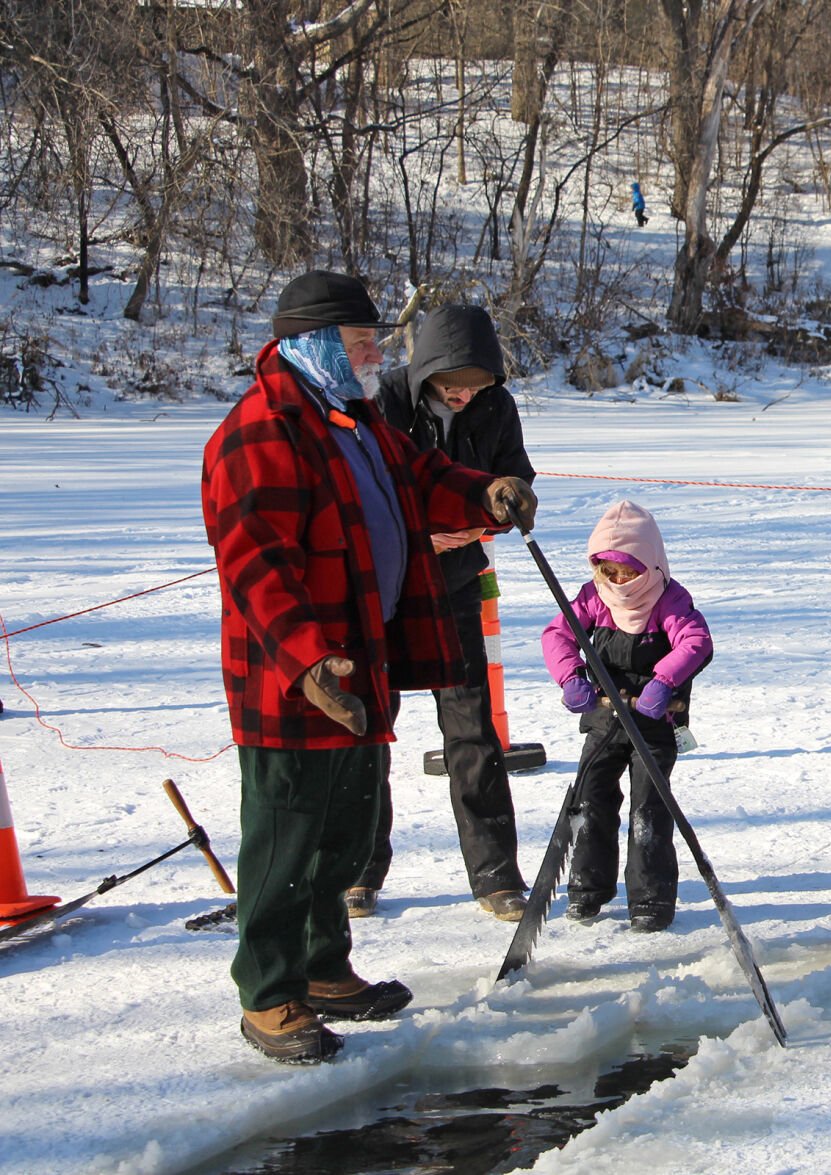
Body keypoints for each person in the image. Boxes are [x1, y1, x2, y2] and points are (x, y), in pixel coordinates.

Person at [201, 271, 537, 1064]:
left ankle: (322, 967)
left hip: (360, 661)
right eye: (359, 343)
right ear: (311, 343)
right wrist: (307, 659)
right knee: (285, 839)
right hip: (294, 678)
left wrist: (484, 491)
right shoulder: (260, 430)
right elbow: (255, 564)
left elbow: (420, 476)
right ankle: (269, 994)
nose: (373, 356)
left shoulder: (351, 418)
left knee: (343, 832)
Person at [348, 305, 532, 923]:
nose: (464, 394)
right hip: (388, 587)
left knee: (473, 729)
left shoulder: (496, 408)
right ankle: (359, 869)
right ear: (426, 369)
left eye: (476, 384)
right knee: (370, 728)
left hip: (454, 585)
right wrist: (418, 535)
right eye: (454, 382)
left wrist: (496, 510)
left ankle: (496, 876)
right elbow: (366, 490)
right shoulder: (382, 401)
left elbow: (515, 477)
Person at [541, 500, 712, 932]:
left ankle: (651, 898)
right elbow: (557, 635)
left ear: (650, 565)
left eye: (627, 572)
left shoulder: (669, 599)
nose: (618, 582)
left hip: (654, 721)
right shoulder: (592, 597)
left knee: (648, 807)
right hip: (604, 720)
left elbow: (695, 642)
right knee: (590, 798)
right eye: (609, 572)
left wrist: (663, 681)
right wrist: (570, 677)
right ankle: (587, 888)